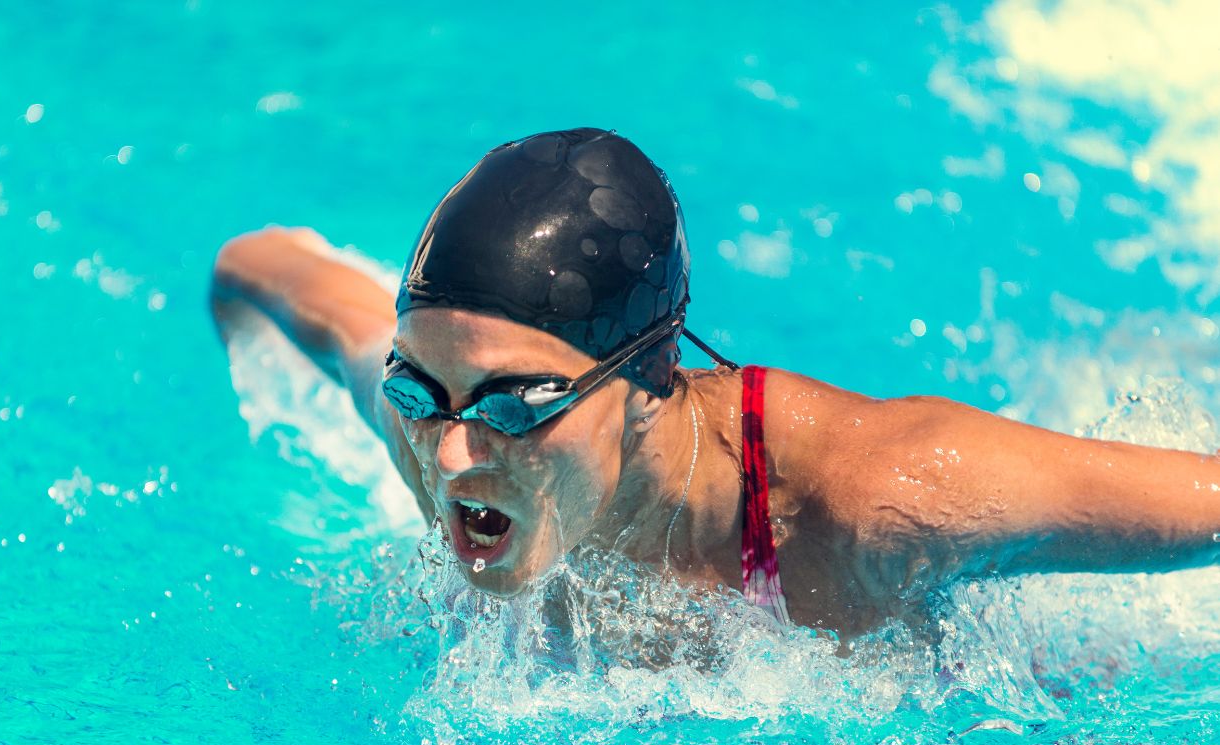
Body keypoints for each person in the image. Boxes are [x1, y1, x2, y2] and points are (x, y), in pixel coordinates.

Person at [211, 127, 1220, 641]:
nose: (455, 452)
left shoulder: (871, 505)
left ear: (652, 371)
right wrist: (234, 293)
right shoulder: (433, 430)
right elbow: (267, 264)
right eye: (418, 390)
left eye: (520, 404)